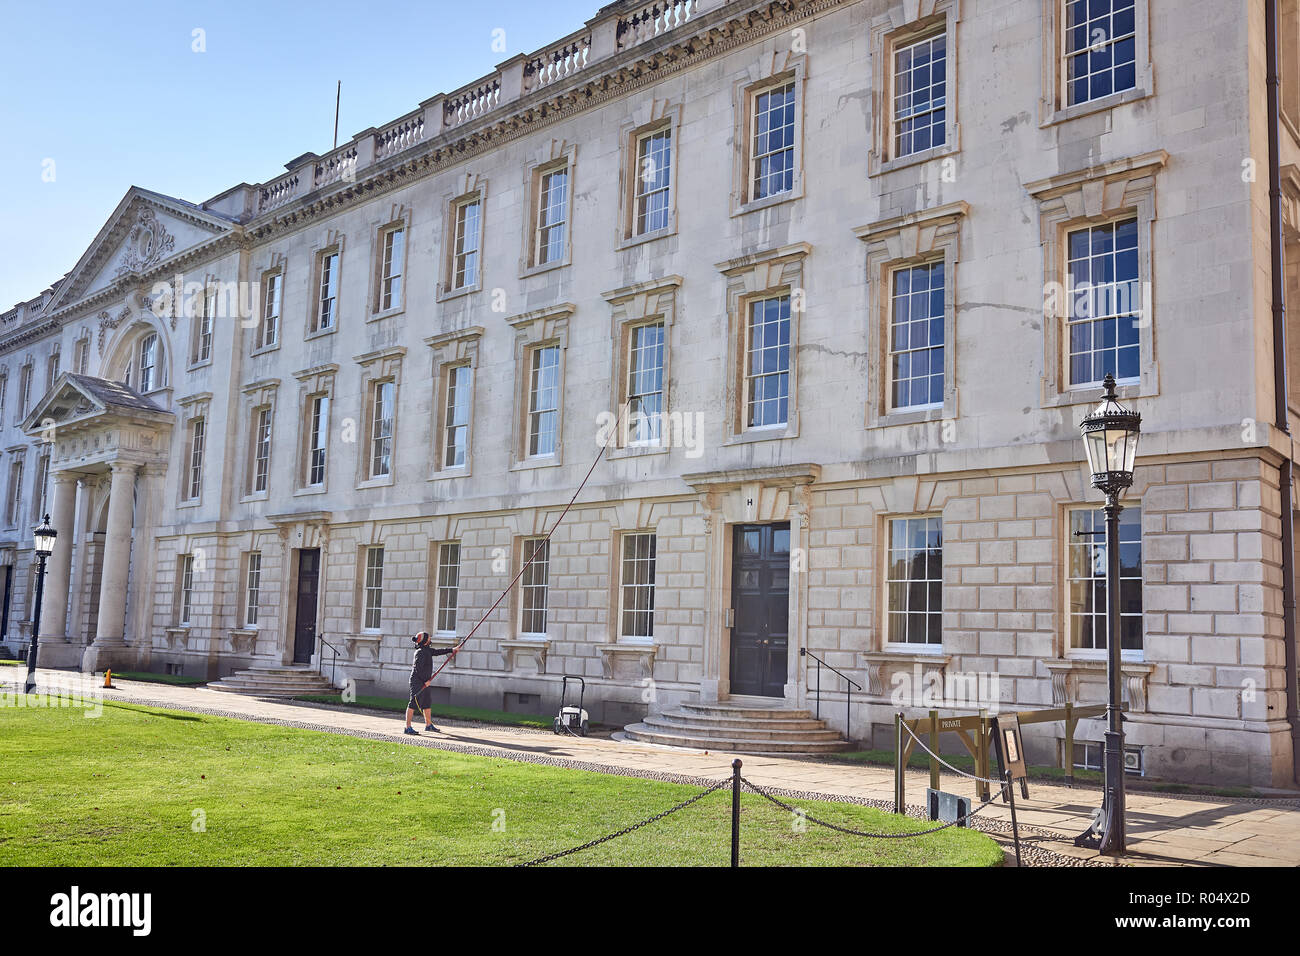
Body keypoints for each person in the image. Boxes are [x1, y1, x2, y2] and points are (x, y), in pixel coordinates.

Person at [405, 631, 458, 734]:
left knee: (426, 702)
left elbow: (438, 652)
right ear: (425, 641)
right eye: (429, 638)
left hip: (425, 681)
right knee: (413, 703)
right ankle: (407, 727)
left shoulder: (427, 650)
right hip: (417, 681)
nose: (430, 639)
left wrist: (452, 650)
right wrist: (425, 681)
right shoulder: (420, 653)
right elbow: (418, 670)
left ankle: (428, 725)